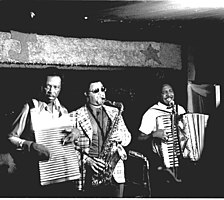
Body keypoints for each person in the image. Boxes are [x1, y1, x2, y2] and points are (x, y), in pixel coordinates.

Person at [7, 67, 80, 197]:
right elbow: (10, 137)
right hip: (32, 174)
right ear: (42, 86)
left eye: (56, 87)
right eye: (48, 86)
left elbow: (68, 139)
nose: (52, 91)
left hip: (58, 174)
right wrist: (30, 145)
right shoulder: (29, 107)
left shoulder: (63, 110)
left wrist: (75, 132)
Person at [69, 80, 131, 197]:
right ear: (86, 94)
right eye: (96, 91)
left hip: (114, 174)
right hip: (89, 174)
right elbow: (68, 150)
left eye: (103, 89)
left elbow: (128, 138)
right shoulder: (74, 116)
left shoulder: (115, 112)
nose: (101, 94)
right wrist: (87, 160)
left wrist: (121, 137)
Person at [137, 82, 186, 197]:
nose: (168, 94)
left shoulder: (181, 110)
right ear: (159, 95)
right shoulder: (152, 113)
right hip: (161, 163)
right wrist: (154, 134)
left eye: (170, 91)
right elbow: (139, 138)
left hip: (182, 160)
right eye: (164, 92)